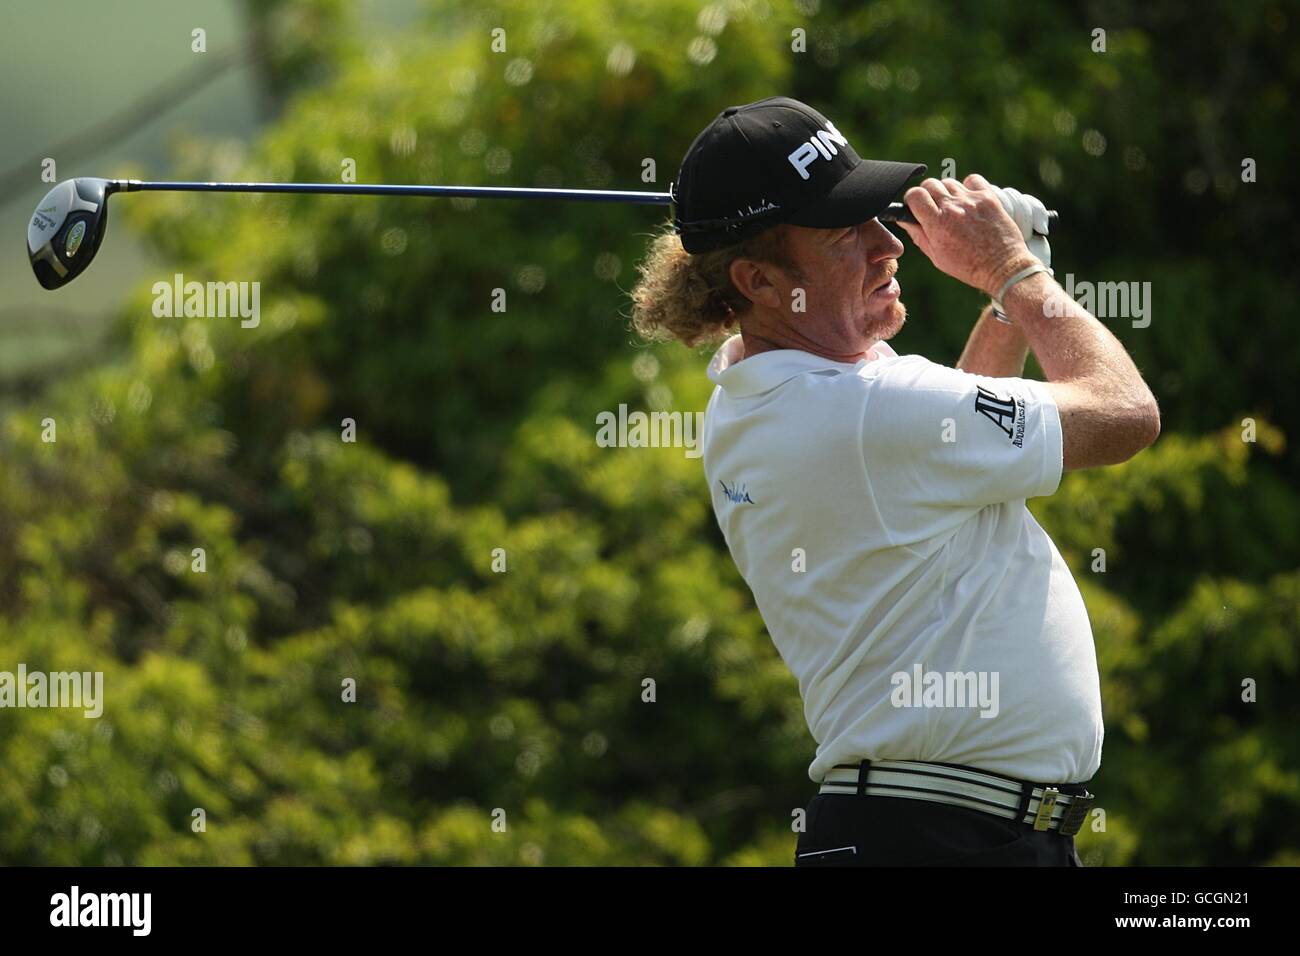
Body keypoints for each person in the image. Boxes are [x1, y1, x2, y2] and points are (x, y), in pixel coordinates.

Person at [629, 96, 1160, 866]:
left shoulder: (771, 391)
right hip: (941, 837)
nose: (888, 246)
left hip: (930, 830)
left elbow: (953, 455)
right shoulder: (862, 409)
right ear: (761, 281)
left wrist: (1011, 296)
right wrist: (1015, 272)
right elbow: (1125, 415)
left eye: (879, 216)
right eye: (848, 232)